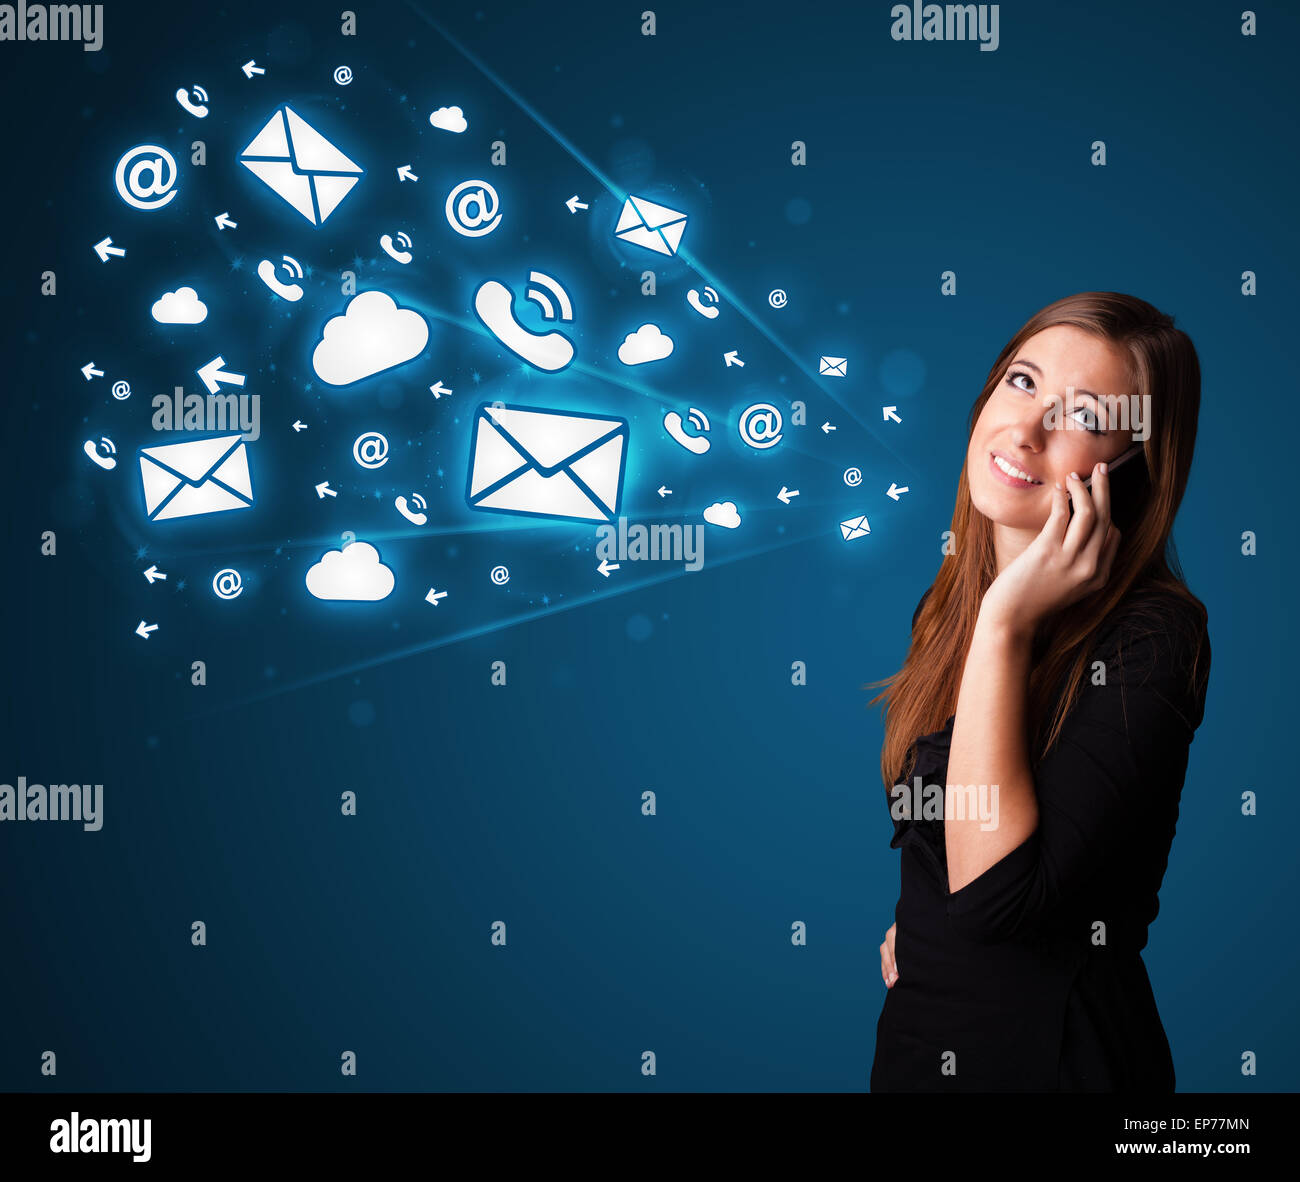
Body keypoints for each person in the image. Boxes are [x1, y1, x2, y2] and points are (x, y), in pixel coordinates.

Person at [867, 291, 1211, 1092]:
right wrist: (918, 922)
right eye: (1022, 382)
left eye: (1083, 417)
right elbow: (945, 839)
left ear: (1131, 469)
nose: (1025, 431)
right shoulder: (955, 606)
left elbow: (992, 899)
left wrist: (1005, 626)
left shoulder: (1153, 637)